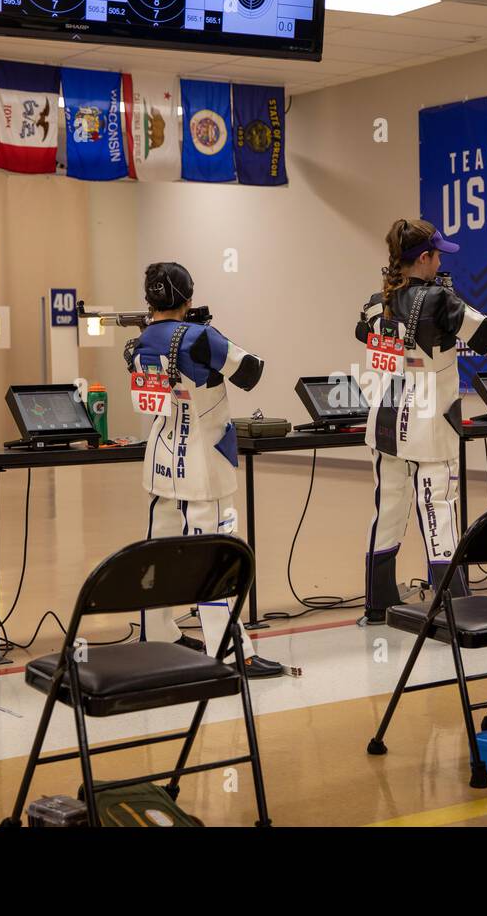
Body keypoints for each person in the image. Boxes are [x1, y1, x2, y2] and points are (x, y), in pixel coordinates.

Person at [127, 262, 284, 679]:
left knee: (158, 554)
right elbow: (250, 370)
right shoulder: (200, 337)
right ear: (188, 298)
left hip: (161, 461)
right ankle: (231, 651)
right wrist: (212, 333)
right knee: (216, 556)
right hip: (204, 462)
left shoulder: (139, 341)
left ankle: (158, 633)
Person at [355, 218, 487, 624]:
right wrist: (453, 300)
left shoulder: (374, 301)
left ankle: (377, 604)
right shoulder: (440, 300)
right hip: (430, 424)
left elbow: (360, 333)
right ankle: (453, 605)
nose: (440, 262)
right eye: (437, 255)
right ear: (423, 258)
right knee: (439, 508)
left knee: (387, 510)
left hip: (385, 421)